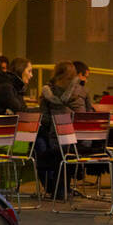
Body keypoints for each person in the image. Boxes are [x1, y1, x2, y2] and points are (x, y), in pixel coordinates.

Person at [36, 60, 81, 198]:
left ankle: (57, 189)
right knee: (63, 149)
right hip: (79, 142)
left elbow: (44, 119)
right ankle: (62, 188)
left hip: (56, 140)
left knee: (55, 148)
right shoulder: (79, 92)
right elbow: (85, 113)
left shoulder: (47, 93)